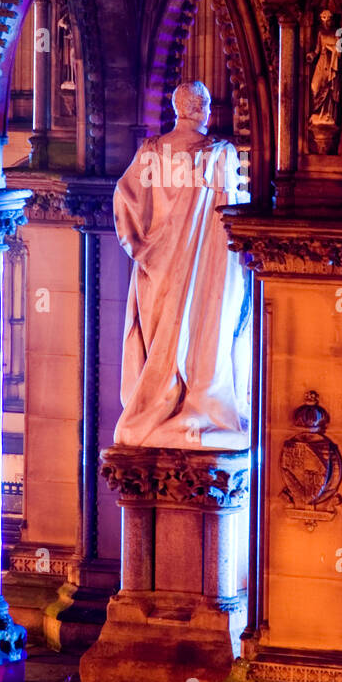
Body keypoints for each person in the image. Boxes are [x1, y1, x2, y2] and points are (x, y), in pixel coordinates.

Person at [112, 81, 250, 449]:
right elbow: (237, 214)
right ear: (204, 109)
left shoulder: (151, 152)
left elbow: (123, 200)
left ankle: (162, 405)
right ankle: (197, 404)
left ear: (177, 110)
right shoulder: (221, 154)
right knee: (205, 337)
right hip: (208, 274)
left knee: (161, 341)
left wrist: (142, 247)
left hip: (158, 273)